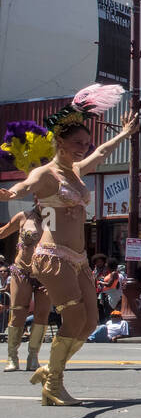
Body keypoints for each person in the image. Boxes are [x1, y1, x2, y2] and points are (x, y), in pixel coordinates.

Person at [0, 84, 139, 404]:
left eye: (85, 143)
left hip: (79, 258)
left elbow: (101, 154)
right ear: (59, 142)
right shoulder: (47, 174)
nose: (83, 148)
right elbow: (25, 186)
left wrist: (126, 133)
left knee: (90, 322)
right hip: (52, 257)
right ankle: (53, 384)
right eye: (77, 142)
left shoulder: (76, 171)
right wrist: (10, 194)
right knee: (73, 319)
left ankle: (50, 370)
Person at [1, 121, 56, 373]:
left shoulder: (55, 217)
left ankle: (33, 357)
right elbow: (2, 233)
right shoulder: (23, 217)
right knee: (18, 312)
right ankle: (13, 357)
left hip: (45, 273)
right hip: (21, 271)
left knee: (42, 316)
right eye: (36, 194)